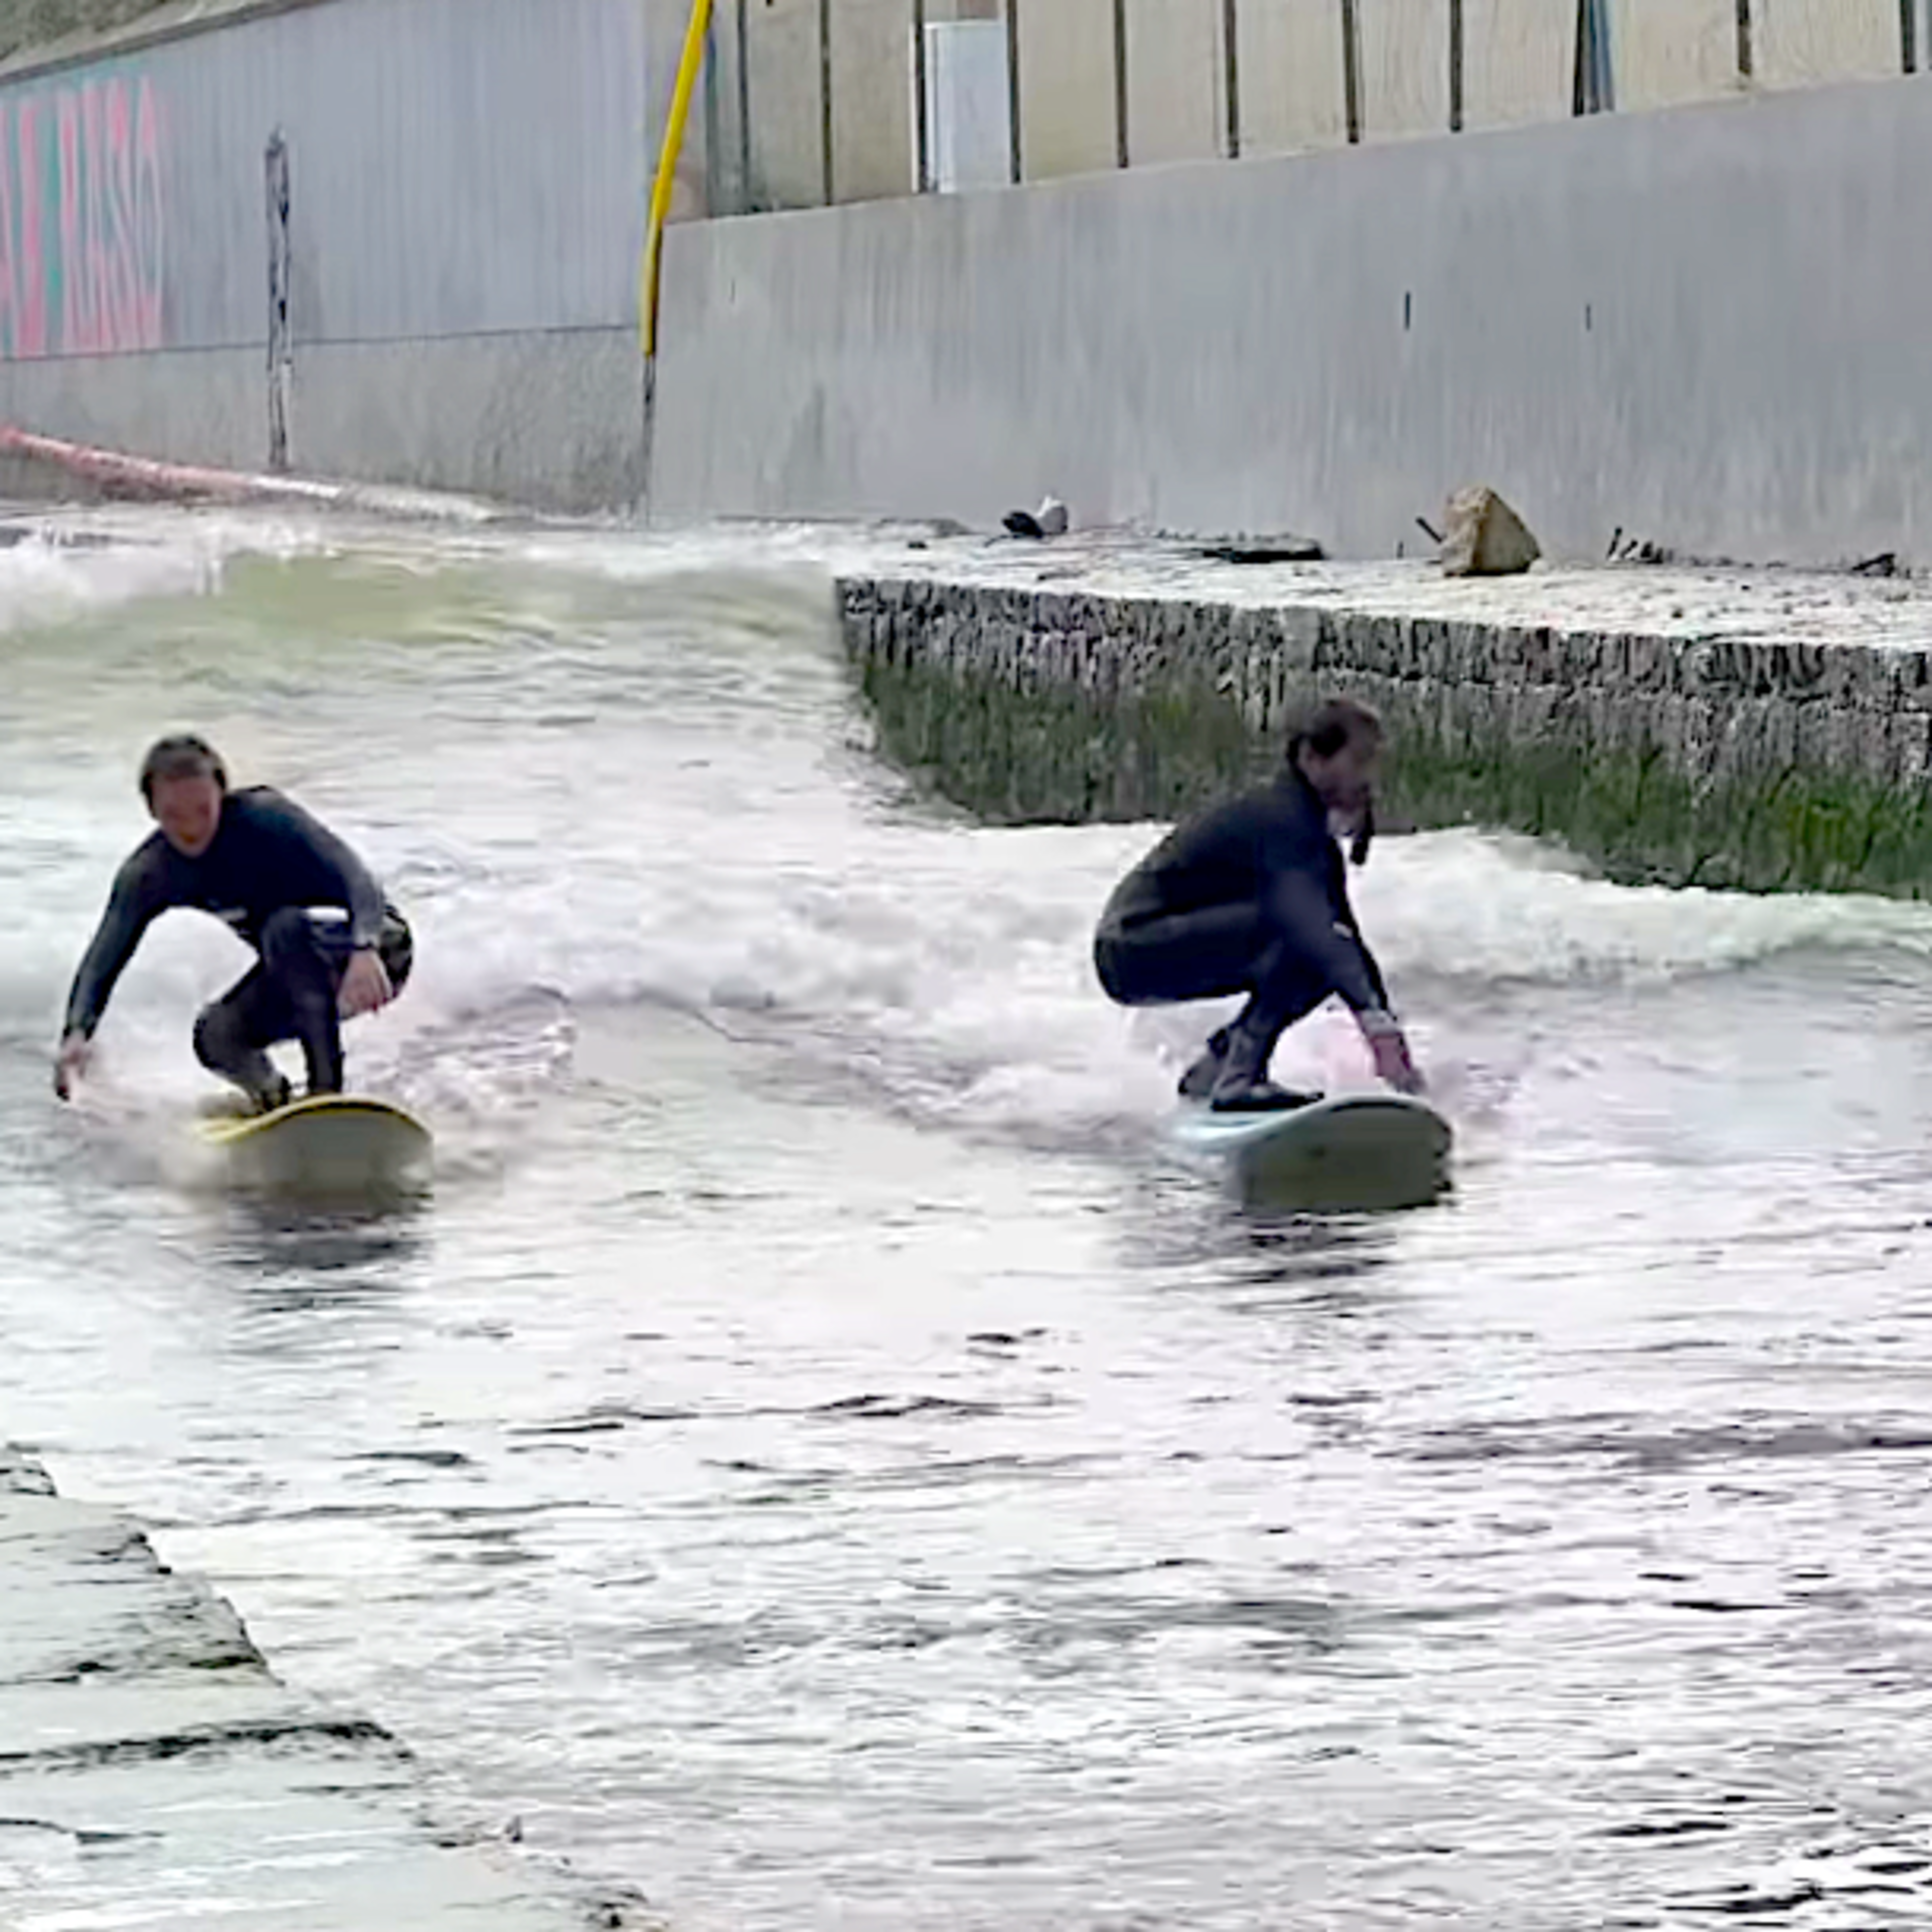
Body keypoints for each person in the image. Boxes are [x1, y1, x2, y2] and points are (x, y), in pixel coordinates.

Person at [1093, 696, 1422, 1112]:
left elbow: (1346, 938)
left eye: (1372, 763)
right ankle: (1239, 1078)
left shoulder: (1309, 835)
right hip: (1132, 945)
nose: (1368, 779)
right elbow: (1308, 925)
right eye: (1358, 762)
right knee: (1309, 944)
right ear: (1311, 757)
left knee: (1330, 955)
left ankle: (1220, 1067)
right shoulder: (1280, 820)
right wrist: (1372, 1023)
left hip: (1147, 943)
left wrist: (1385, 1024)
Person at [53, 734, 414, 1113]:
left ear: (222, 795)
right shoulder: (151, 872)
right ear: (152, 811)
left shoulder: (268, 818)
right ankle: (273, 1100)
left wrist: (365, 946)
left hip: (377, 955)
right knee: (216, 1037)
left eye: (203, 811)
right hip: (302, 975)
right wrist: (77, 1034)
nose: (191, 829)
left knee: (284, 928)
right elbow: (105, 954)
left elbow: (357, 877)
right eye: (174, 816)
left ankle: (326, 1094)